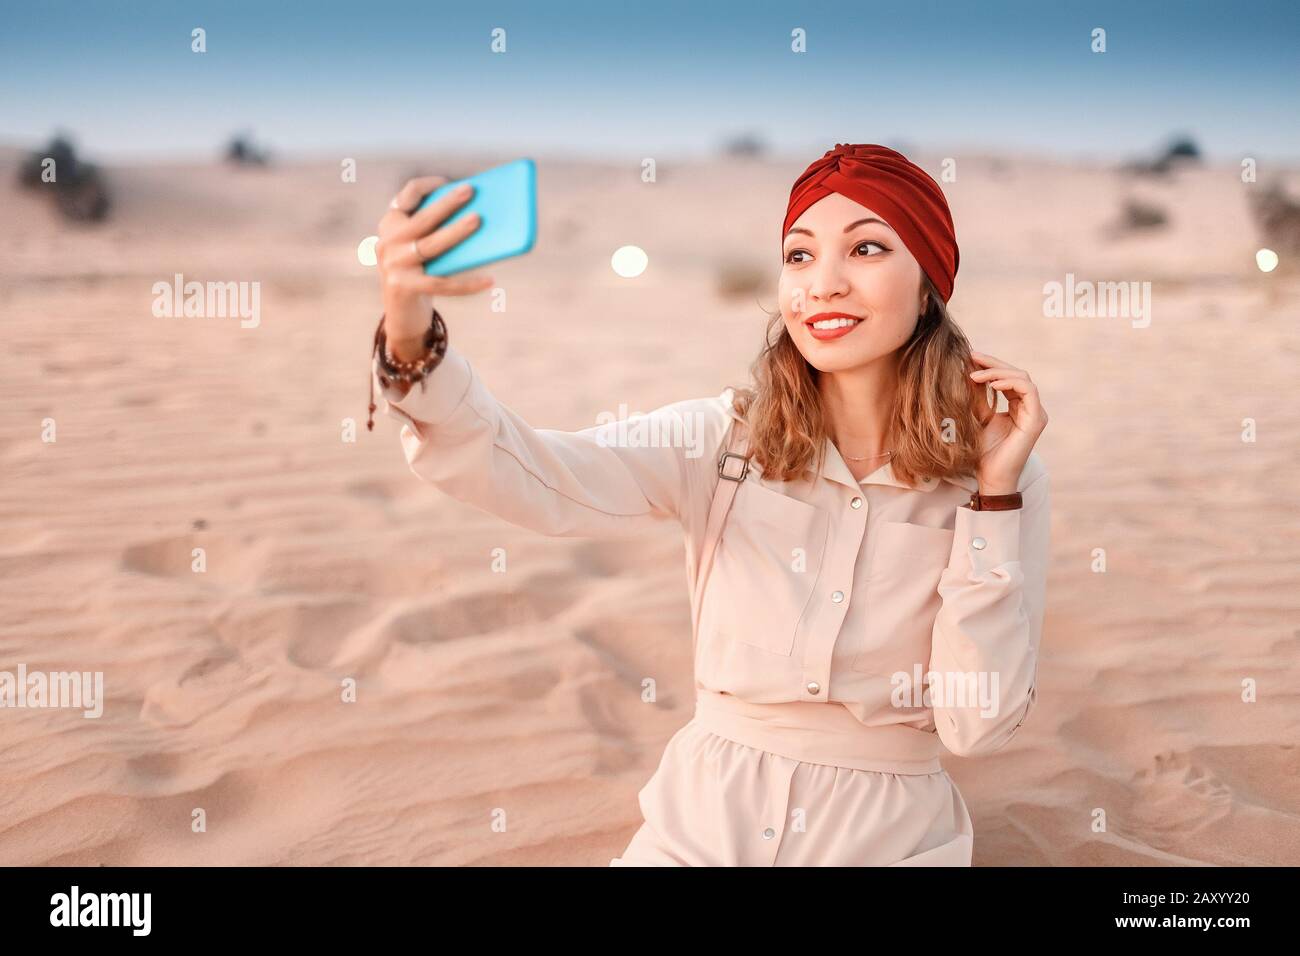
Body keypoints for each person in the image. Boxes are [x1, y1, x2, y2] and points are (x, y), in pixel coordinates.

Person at [365, 143, 1050, 866]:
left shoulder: (997, 477)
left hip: (890, 834)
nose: (823, 285)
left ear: (927, 289)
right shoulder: (720, 439)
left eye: (867, 249)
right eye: (799, 256)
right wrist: (410, 335)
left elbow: (978, 725)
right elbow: (536, 474)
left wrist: (994, 501)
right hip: (701, 823)